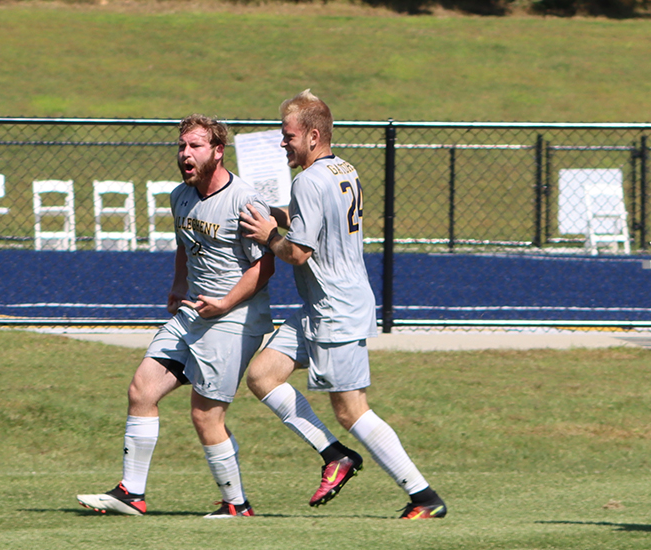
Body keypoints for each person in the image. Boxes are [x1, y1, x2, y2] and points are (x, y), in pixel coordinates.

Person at [239, 90, 447, 520]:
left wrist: (266, 235)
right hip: (320, 306)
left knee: (351, 409)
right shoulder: (342, 168)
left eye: (289, 136)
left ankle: (423, 496)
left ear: (313, 136)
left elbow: (298, 253)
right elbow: (312, 216)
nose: (283, 143)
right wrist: (275, 212)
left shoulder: (309, 180)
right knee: (262, 375)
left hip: (336, 308)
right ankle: (334, 455)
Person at [76, 114, 275, 519]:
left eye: (195, 146)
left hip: (236, 316)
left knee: (205, 414)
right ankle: (131, 494)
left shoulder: (245, 200)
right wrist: (178, 286)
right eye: (182, 146)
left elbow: (264, 267)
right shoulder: (180, 196)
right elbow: (186, 244)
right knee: (142, 390)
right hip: (193, 312)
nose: (185, 154)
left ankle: (236, 504)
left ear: (218, 152)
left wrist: (222, 304)